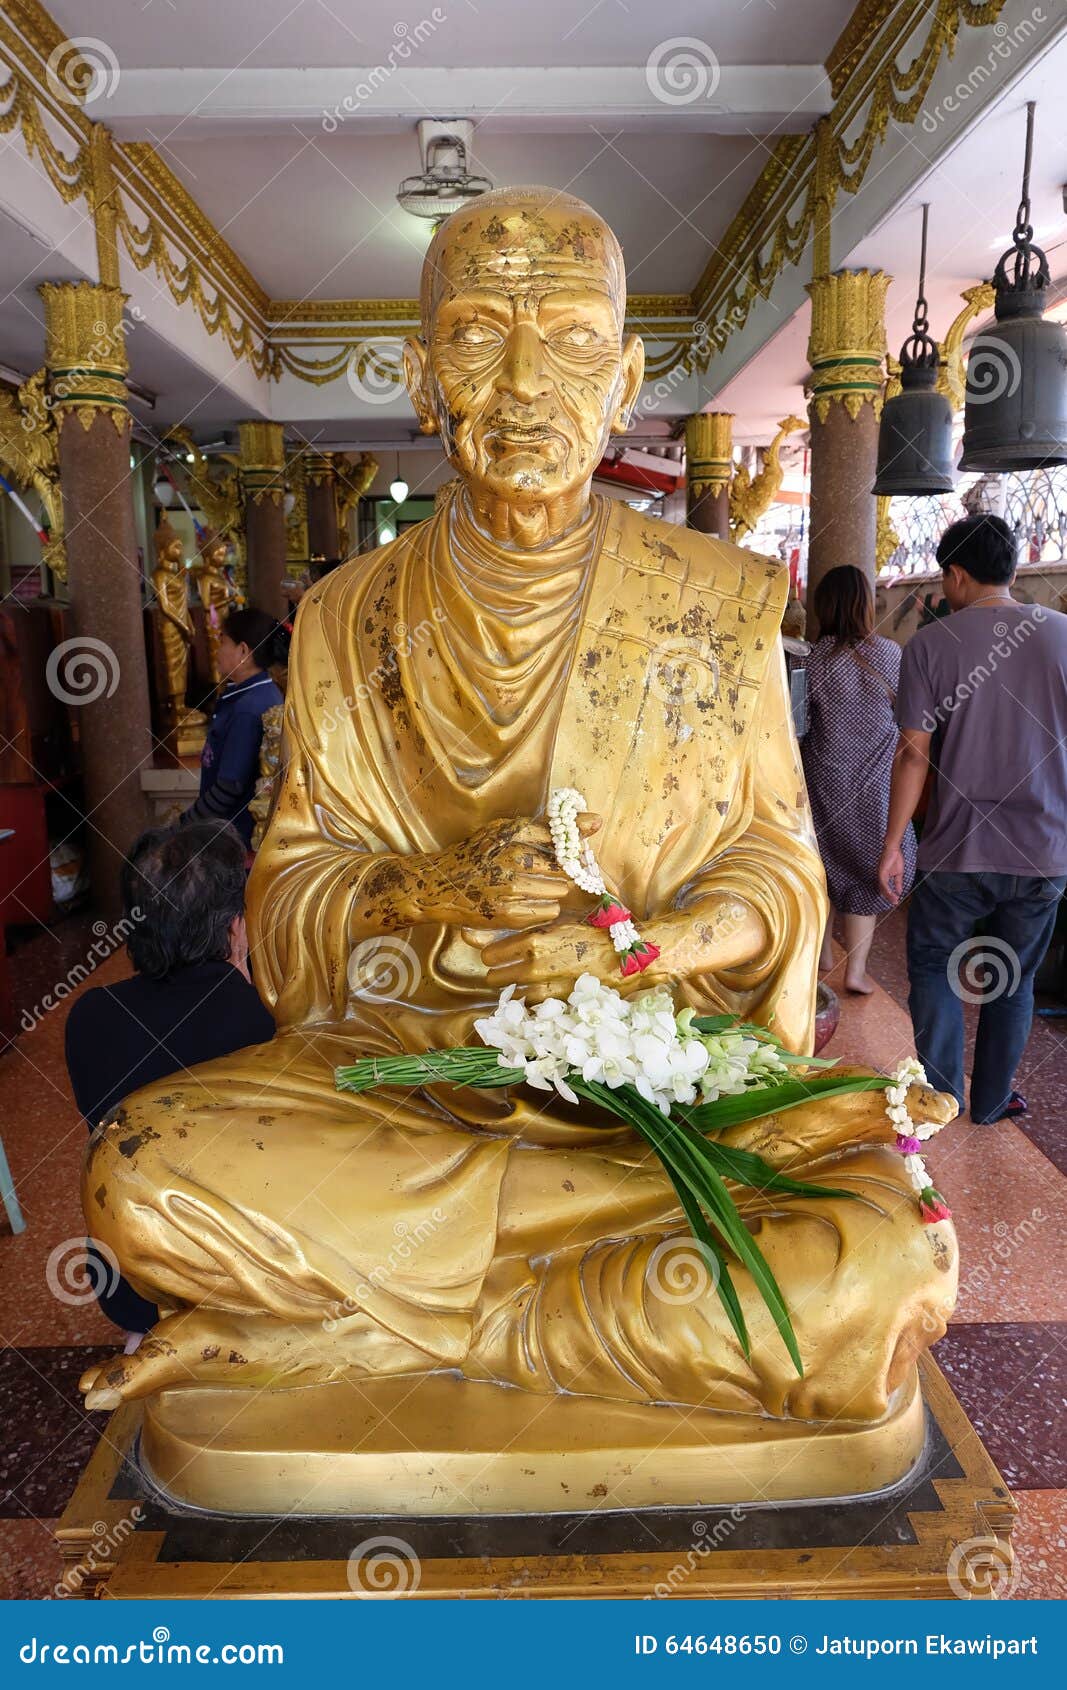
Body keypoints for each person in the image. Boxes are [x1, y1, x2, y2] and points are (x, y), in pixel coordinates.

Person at [879, 514, 1067, 1122]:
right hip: (1044, 849)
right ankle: (990, 1101)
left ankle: (941, 1099)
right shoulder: (1062, 635)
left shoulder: (930, 645)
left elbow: (913, 755)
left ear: (956, 574)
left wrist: (893, 843)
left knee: (934, 965)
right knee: (1015, 979)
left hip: (956, 849)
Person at [65, 822, 275, 1338]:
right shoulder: (259, 1020)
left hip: (127, 1280)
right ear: (235, 927)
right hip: (240, 1280)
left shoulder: (90, 1016)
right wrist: (243, 984)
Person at [802, 565, 915, 994]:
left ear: (823, 606)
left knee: (822, 867)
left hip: (823, 781)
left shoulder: (809, 659)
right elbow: (909, 722)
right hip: (876, 784)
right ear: (866, 605)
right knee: (867, 874)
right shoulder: (890, 654)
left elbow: (798, 727)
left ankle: (823, 955)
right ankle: (856, 971)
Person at [181, 608, 283, 847]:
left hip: (233, 837)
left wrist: (185, 826)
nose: (217, 651)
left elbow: (229, 787)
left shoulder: (248, 707)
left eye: (223, 642)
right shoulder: (258, 693)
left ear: (243, 651)